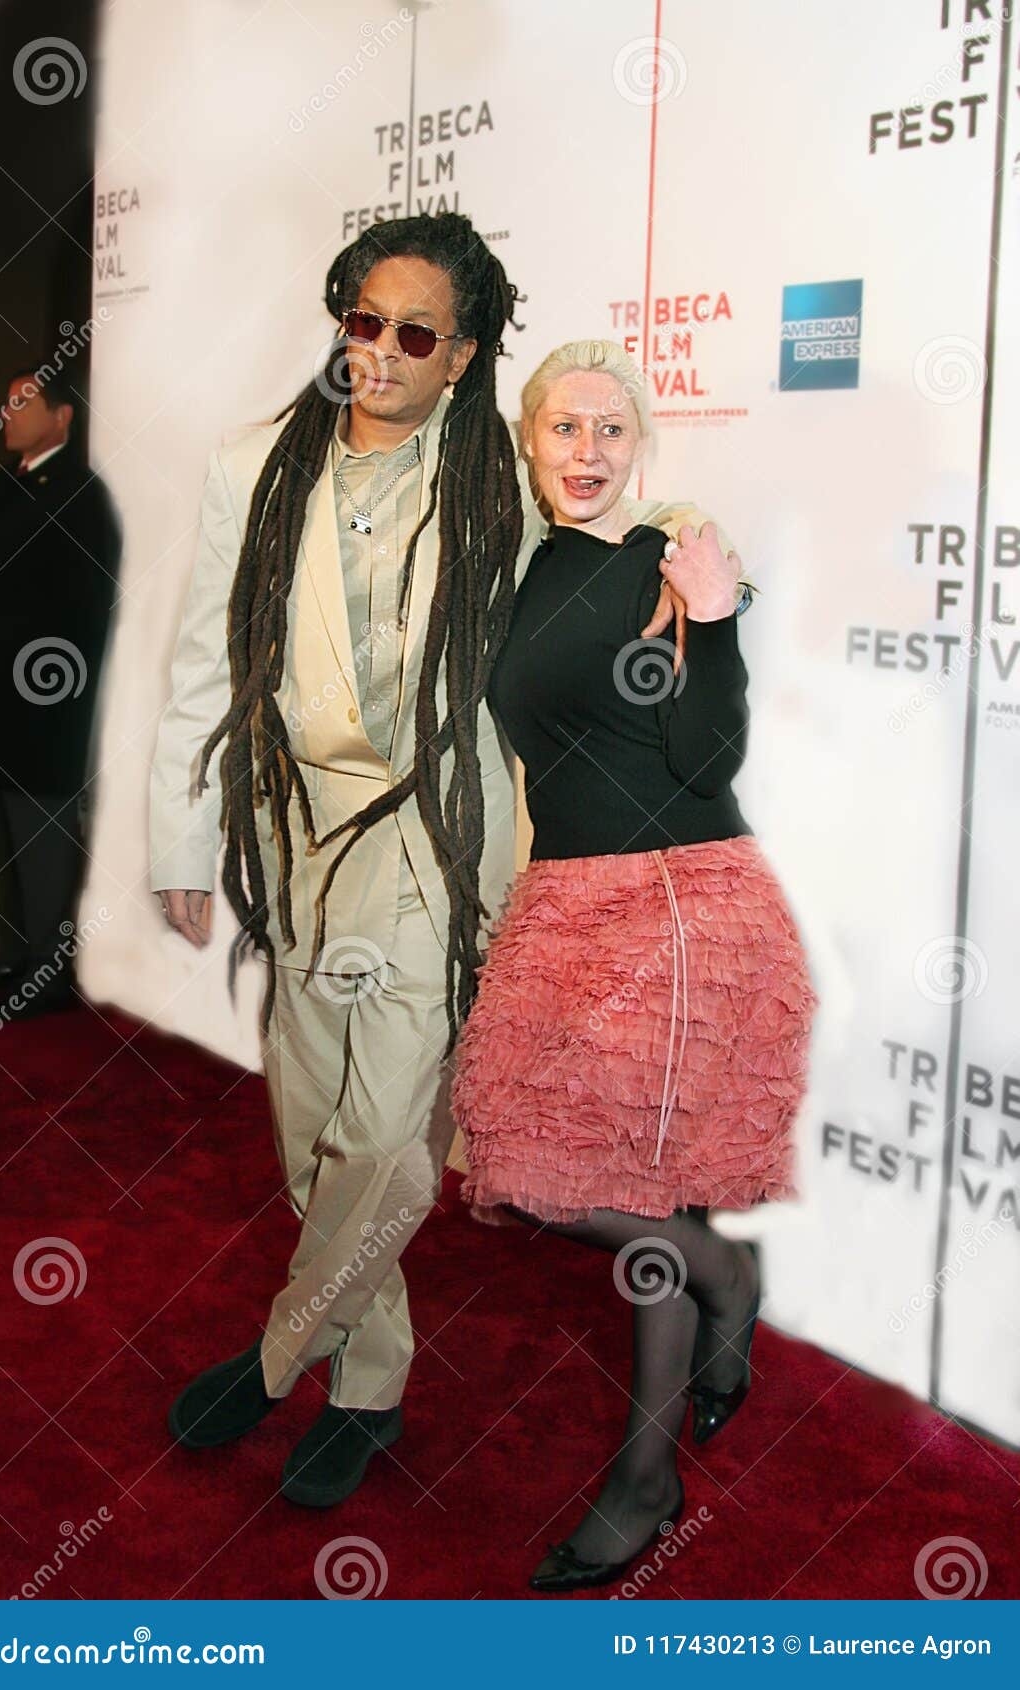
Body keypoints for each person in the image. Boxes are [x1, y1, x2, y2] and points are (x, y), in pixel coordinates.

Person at [150, 212, 754, 1509]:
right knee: (317, 1135)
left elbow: (604, 507)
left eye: (410, 333)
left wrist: (688, 540)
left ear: (460, 351)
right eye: (358, 323)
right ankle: (366, 1379)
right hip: (286, 828)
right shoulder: (254, 463)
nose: (374, 352)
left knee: (388, 1142)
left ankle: (273, 1358)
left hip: (424, 847)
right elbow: (206, 658)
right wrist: (180, 837)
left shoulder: (492, 480)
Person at [450, 339, 818, 1592]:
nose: (588, 452)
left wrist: (711, 619)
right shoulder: (529, 570)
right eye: (564, 427)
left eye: (612, 429)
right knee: (523, 1152)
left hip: (674, 903)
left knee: (629, 1187)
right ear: (532, 440)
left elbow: (707, 753)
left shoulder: (661, 563)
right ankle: (725, 1277)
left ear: (640, 444)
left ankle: (646, 1472)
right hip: (562, 904)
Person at [0, 366, 121, 1018]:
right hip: (1, 696)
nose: (7, 414)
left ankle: (49, 971)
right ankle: (17, 951)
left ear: (62, 416)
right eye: (6, 404)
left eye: (22, 403)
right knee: (6, 831)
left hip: (46, 698)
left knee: (42, 835)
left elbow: (84, 601)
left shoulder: (77, 492)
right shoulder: (10, 485)